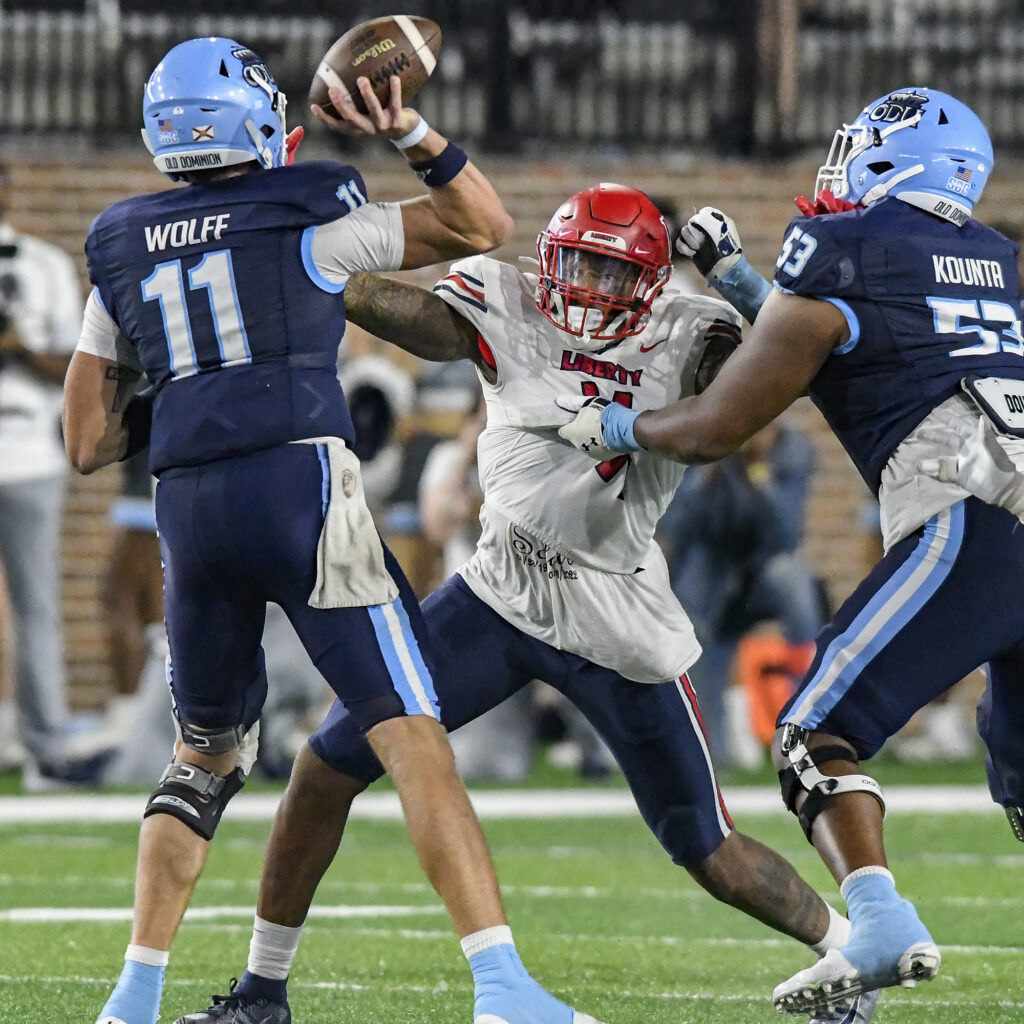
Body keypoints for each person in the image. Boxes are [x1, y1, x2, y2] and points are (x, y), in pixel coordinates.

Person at [175, 183, 877, 1024]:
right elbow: (392, 307)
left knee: (706, 845)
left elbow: (791, 380)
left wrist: (738, 280)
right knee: (326, 768)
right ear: (549, 257)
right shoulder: (504, 301)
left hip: (614, 615)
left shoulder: (690, 334)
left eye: (614, 273)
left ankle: (848, 953)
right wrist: (303, 258)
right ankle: (261, 991)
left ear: (655, 282)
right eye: (577, 263)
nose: (589, 288)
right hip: (498, 589)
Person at [62, 36, 602, 1024]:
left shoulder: (118, 237)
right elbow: (482, 222)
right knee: (411, 730)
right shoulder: (307, 205)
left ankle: (132, 997)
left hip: (190, 505)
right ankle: (502, 988)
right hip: (300, 486)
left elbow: (87, 440)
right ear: (258, 124)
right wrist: (408, 129)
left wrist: (192, 383)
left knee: (204, 755)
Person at [557, 86, 1024, 1014]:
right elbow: (851, 350)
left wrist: (611, 422)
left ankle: (880, 921)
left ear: (892, 161)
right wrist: (737, 279)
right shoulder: (996, 258)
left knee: (818, 733)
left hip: (977, 517)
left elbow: (713, 427)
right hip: (1005, 503)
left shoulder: (843, 251)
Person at [658, 419, 822, 765]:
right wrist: (711, 470)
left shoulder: (794, 449)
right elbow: (680, 525)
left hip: (768, 558)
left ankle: (810, 729)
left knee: (799, 595)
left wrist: (758, 469)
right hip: (714, 554)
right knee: (696, 627)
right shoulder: (706, 440)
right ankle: (710, 745)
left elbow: (785, 533)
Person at [0, 160, 88, 787]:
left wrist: (17, 348)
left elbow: (76, 368)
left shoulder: (45, 267)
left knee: (37, 604)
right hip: (28, 454)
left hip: (29, 450)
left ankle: (48, 743)